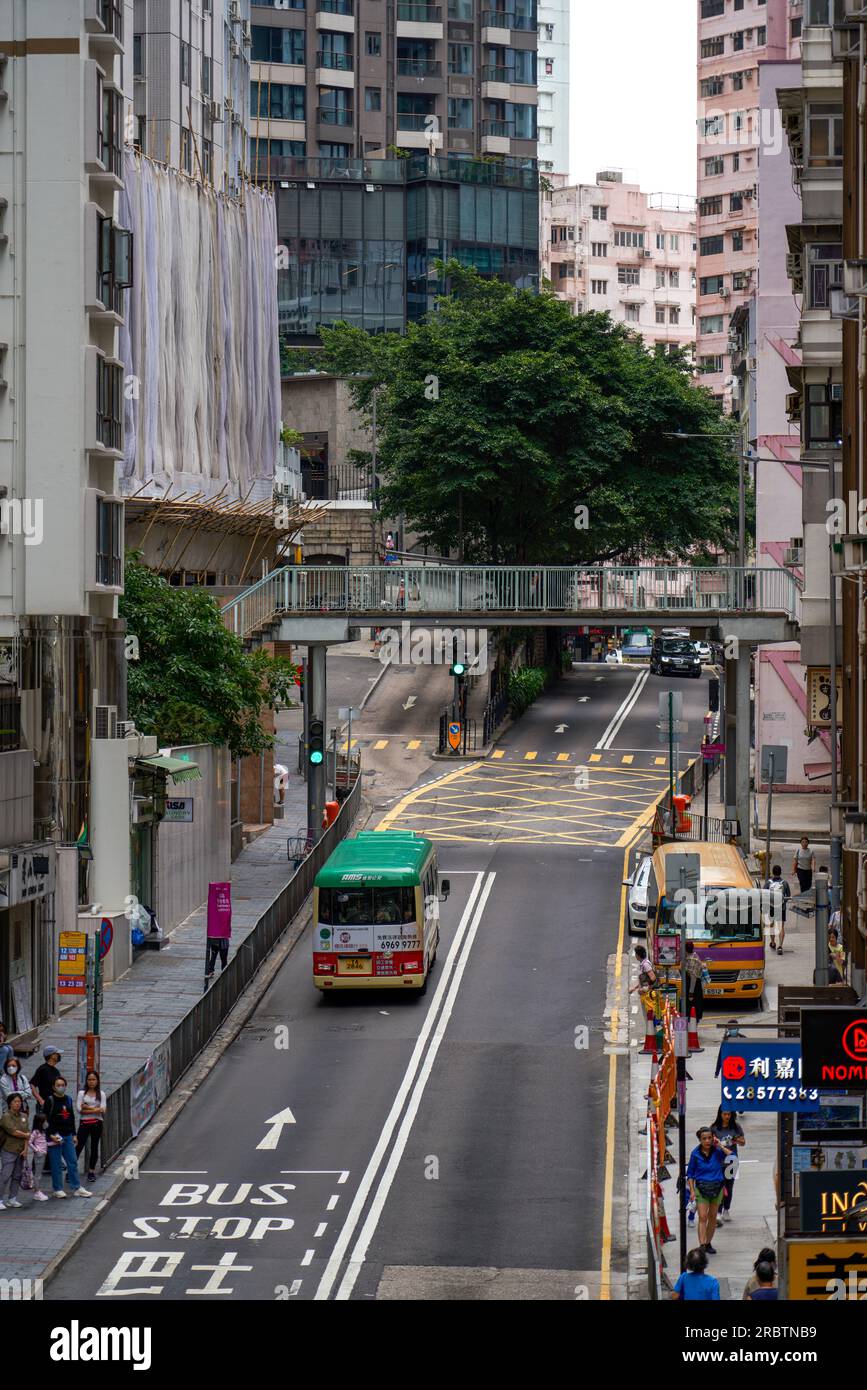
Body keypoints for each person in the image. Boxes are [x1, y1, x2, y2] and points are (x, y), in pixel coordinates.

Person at [43, 1077, 91, 1199]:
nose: (61, 1087)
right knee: (56, 1163)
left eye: (63, 1084)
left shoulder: (68, 1099)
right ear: (53, 1087)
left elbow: (71, 1117)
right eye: (58, 1085)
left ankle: (76, 1187)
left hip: (67, 1135)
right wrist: (50, 1135)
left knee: (72, 1161)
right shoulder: (50, 1100)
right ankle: (57, 1189)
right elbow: (45, 1120)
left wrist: (74, 1134)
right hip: (54, 1136)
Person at [686, 1127, 728, 1254]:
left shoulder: (717, 1151)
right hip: (701, 1188)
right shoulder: (695, 1154)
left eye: (710, 1138)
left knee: (713, 1217)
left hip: (717, 1187)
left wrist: (720, 1145)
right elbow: (690, 1175)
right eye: (704, 1138)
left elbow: (731, 1156)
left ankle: (708, 1242)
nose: (707, 1141)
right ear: (700, 1140)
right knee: (703, 1217)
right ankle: (702, 1244)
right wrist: (692, 1191)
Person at [711, 1106, 745, 1223]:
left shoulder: (736, 1127)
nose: (727, 1117)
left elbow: (743, 1142)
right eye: (724, 1114)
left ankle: (726, 1209)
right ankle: (718, 1211)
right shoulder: (714, 1128)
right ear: (720, 1114)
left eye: (729, 1114)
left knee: (729, 1187)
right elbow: (708, 1144)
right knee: (719, 1186)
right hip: (718, 1161)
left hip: (732, 1161)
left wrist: (737, 1140)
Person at [0, 1093, 30, 1209]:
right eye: (15, 1102)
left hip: (21, 1150)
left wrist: (26, 1149)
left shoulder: (24, 1116)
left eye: (19, 1101)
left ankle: (12, 1198)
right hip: (9, 1149)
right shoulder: (6, 1116)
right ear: (10, 1103)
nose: (18, 1104)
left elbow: (28, 1133)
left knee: (17, 1175)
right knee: (5, 1175)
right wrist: (26, 1135)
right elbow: (12, 1131)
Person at [75, 1070, 106, 1184]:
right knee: (78, 1147)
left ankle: (91, 1171)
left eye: (93, 1079)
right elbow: (79, 1109)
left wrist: (87, 1108)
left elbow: (103, 1110)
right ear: (86, 1081)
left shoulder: (101, 1094)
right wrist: (95, 1109)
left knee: (94, 1147)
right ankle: (71, 1170)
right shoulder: (81, 1093)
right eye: (89, 1079)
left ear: (97, 1081)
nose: (91, 1082)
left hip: (97, 1123)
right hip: (84, 1123)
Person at [764, 865, 790, 954]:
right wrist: (783, 904)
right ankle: (780, 946)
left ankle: (772, 942)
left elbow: (764, 894)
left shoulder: (768, 883)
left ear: (772, 872)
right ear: (780, 872)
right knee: (781, 927)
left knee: (771, 925)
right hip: (781, 908)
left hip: (771, 907)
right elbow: (788, 896)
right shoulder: (785, 883)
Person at [628, 945, 659, 1019]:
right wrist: (634, 988)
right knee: (647, 1016)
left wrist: (645, 988)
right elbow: (644, 979)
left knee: (649, 1016)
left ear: (638, 955)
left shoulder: (645, 965)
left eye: (636, 954)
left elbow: (653, 977)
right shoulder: (643, 964)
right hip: (645, 994)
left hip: (648, 995)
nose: (635, 955)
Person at [684, 941, 705, 1024]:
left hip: (693, 986)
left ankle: (692, 1026)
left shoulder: (692, 959)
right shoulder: (694, 956)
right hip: (693, 985)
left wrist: (691, 993)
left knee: (692, 1006)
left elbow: (693, 977)